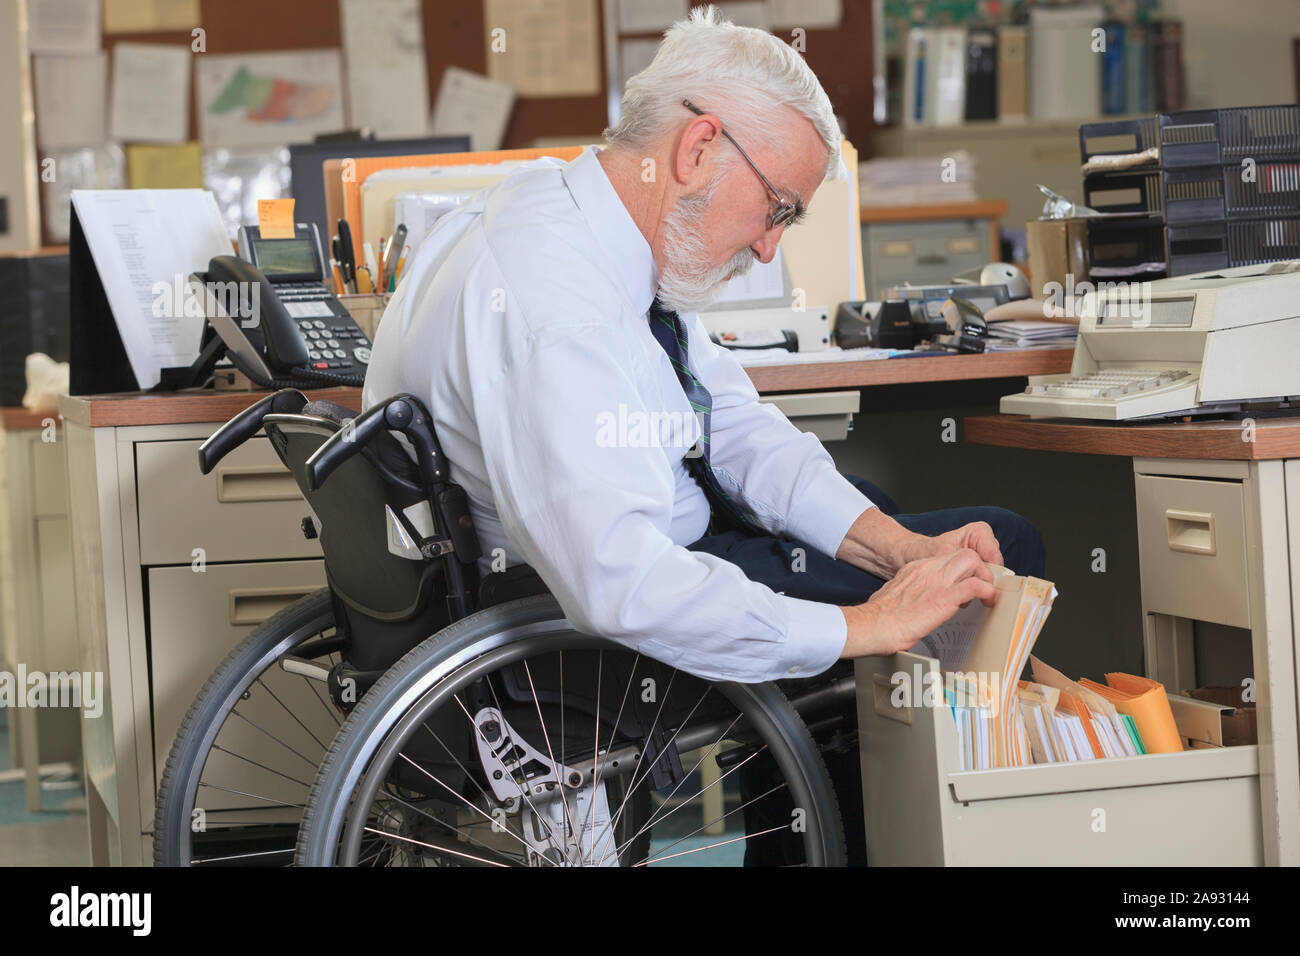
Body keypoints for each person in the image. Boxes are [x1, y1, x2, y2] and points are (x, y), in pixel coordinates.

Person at [362, 6, 1044, 865]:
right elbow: (624, 589)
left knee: (895, 523)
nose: (766, 250)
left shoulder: (573, 214)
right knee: (1001, 548)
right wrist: (861, 630)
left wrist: (896, 554)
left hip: (559, 581)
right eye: (777, 210)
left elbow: (736, 428)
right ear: (698, 149)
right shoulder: (554, 308)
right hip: (571, 641)